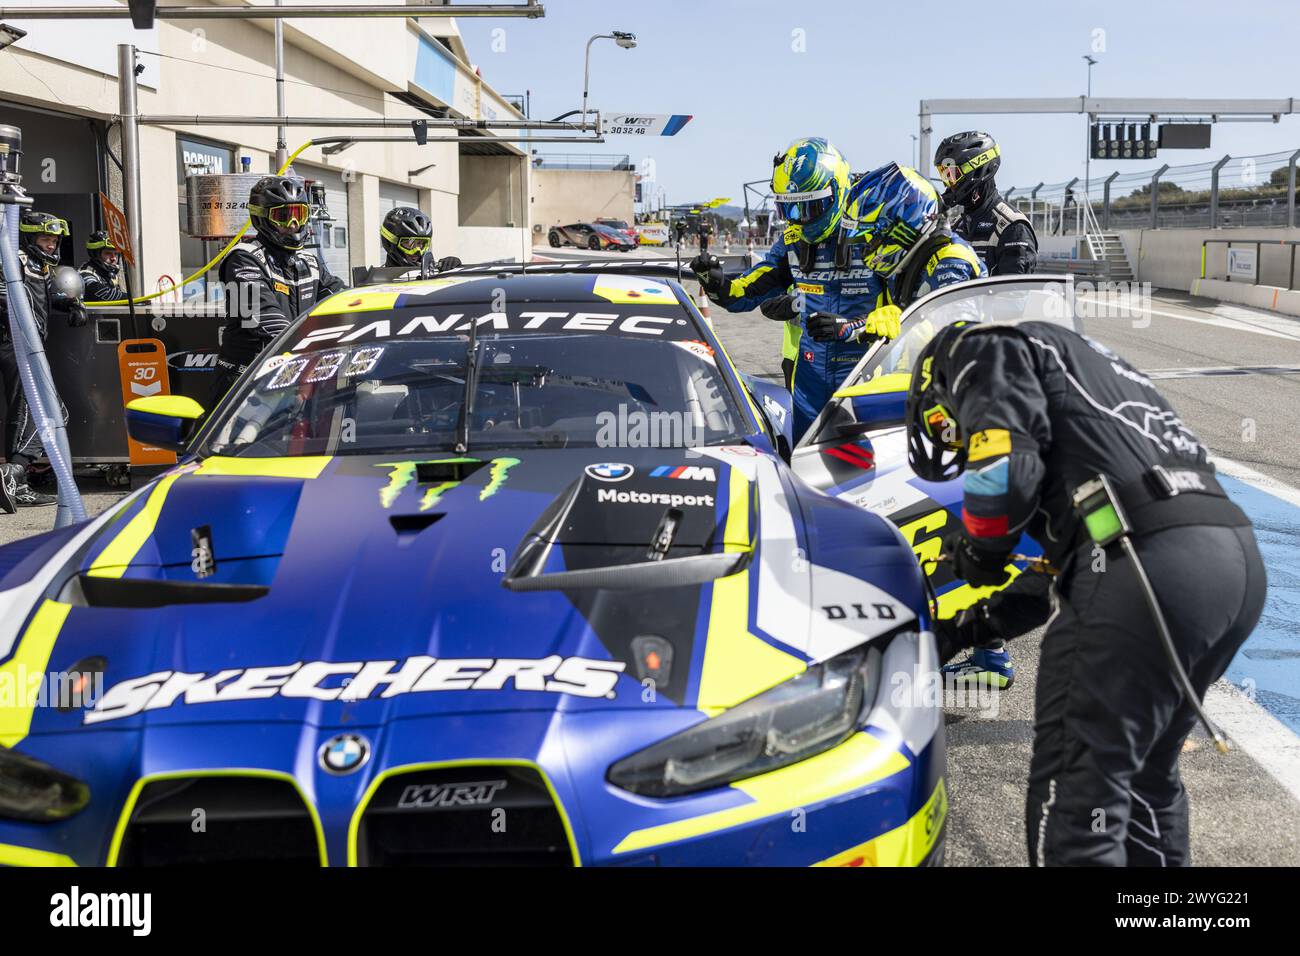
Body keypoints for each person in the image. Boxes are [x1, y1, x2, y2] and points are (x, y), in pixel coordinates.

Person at [905, 318, 1265, 866]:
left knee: (1077, 807)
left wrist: (977, 550)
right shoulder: (1090, 388)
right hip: (1228, 563)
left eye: (944, 421)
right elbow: (1055, 577)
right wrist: (965, 630)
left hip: (1144, 568)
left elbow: (1004, 470)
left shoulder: (978, 346)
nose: (953, 432)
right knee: (1147, 782)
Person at [689, 138, 897, 441]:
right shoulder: (792, 240)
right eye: (790, 209)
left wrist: (854, 329)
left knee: (868, 471)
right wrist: (715, 283)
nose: (800, 219)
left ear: (837, 192)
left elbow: (910, 312)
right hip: (809, 377)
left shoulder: (874, 230)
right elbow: (744, 294)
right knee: (802, 464)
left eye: (810, 207)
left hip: (869, 374)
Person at [209, 176, 346, 409]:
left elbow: (344, 301)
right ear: (261, 217)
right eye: (283, 216)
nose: (293, 224)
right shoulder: (243, 258)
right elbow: (266, 319)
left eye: (299, 214)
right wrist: (309, 358)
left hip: (292, 373)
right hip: (245, 381)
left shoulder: (310, 262)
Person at [0, 209, 79, 509]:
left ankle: (15, 481)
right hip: (14, 345)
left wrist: (69, 304)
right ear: (30, 236)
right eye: (46, 238)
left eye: (55, 240)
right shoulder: (13, 258)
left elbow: (44, 296)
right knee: (49, 410)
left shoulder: (39, 266)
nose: (51, 245)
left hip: (29, 346)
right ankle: (13, 471)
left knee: (29, 413)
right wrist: (19, 327)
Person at [934, 131, 1037, 275]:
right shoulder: (955, 226)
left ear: (976, 170)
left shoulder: (1013, 227)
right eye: (945, 176)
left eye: (952, 175)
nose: (948, 184)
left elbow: (1015, 294)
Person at [380, 206, 461, 274]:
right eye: (410, 242)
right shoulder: (376, 280)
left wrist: (453, 269)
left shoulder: (430, 273)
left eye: (421, 243)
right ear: (389, 242)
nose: (418, 250)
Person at [78, 230, 128, 302]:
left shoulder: (110, 273)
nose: (113, 258)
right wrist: (131, 298)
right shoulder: (85, 272)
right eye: (108, 253)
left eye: (116, 254)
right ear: (95, 254)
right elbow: (100, 291)